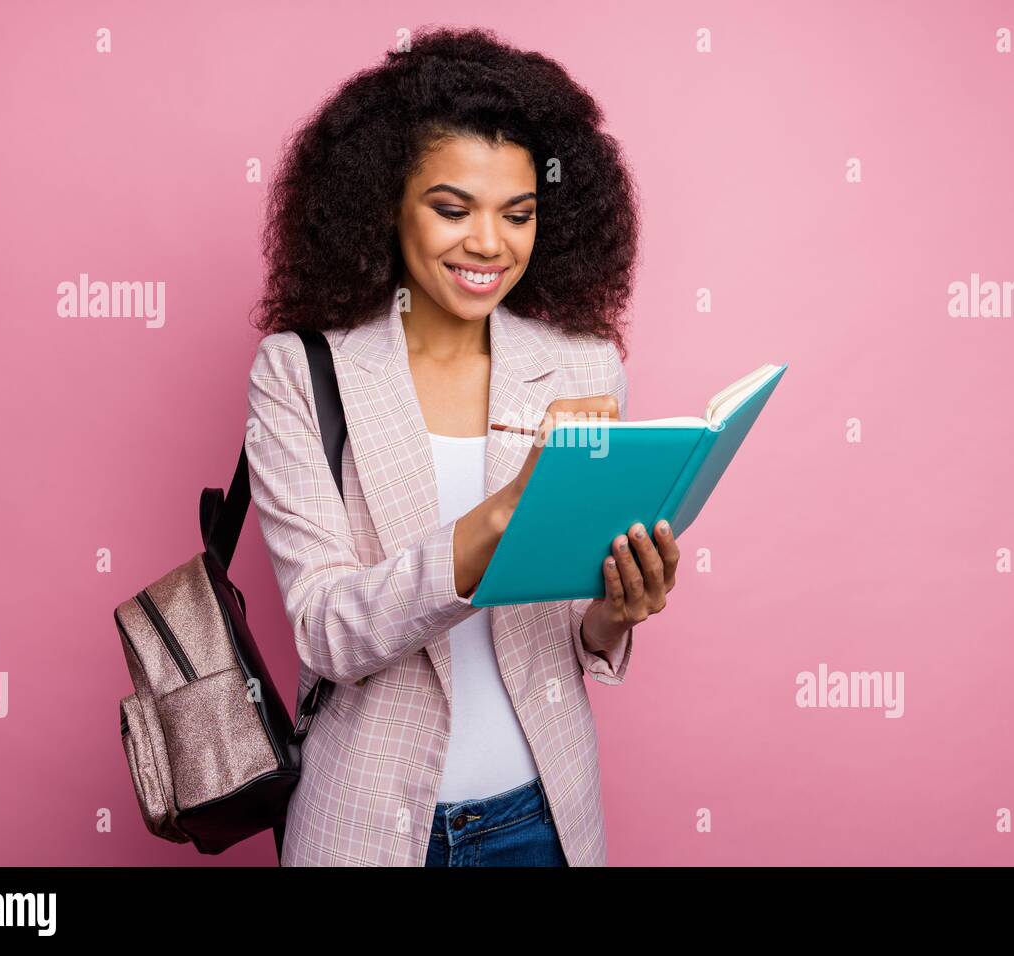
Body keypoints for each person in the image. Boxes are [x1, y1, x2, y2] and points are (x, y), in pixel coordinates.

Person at [245, 25, 678, 867]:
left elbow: (562, 628)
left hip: (544, 819)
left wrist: (612, 613)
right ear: (385, 203)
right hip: (367, 831)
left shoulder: (582, 369)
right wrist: (502, 514)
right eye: (453, 209)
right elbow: (328, 634)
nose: (489, 244)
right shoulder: (302, 373)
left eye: (518, 215)